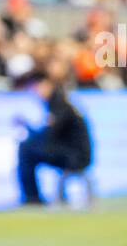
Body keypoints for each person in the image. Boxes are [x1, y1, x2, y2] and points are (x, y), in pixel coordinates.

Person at [14, 70, 92, 206]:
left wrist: (29, 130)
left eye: (36, 87)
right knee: (27, 147)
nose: (35, 92)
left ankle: (32, 197)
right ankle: (32, 196)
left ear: (47, 85)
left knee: (25, 149)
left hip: (75, 156)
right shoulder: (57, 102)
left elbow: (48, 134)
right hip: (71, 152)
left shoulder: (59, 104)